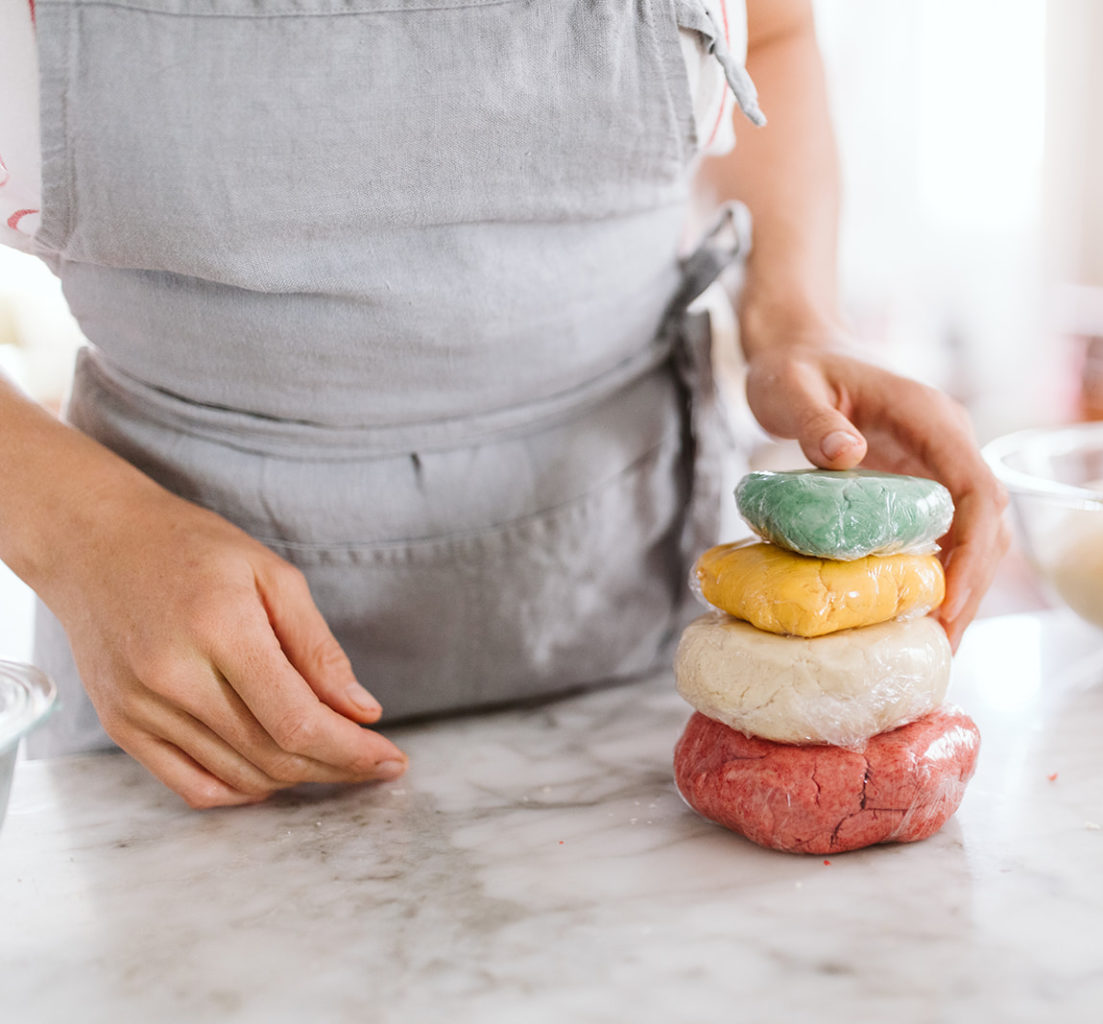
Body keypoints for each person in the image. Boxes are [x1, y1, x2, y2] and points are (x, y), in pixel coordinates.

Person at [0, 0, 1010, 808]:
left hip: (638, 666)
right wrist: (82, 531)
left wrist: (794, 317)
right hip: (188, 703)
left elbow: (772, 29)